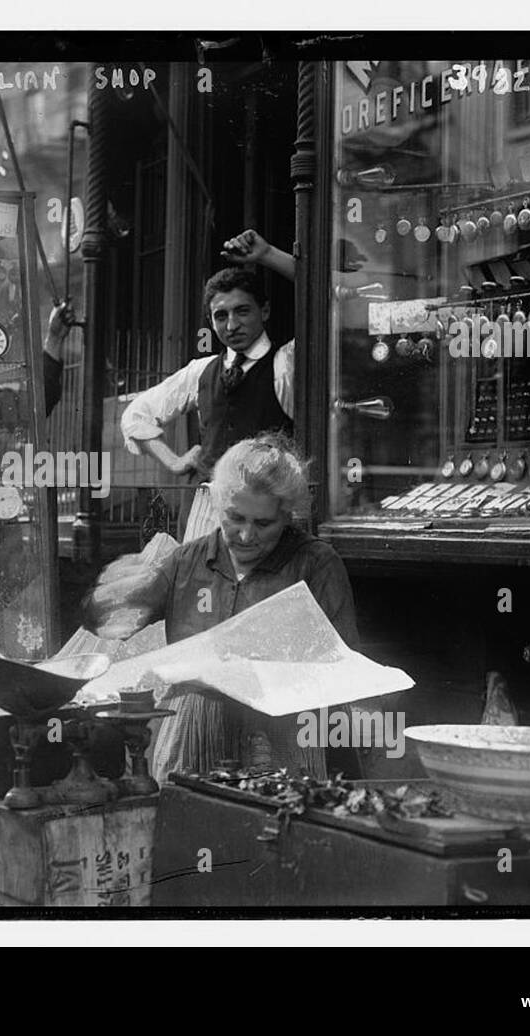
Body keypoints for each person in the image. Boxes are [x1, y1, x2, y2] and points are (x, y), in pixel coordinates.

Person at [83, 433, 358, 782]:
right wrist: (106, 597)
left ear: (288, 515)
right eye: (235, 518)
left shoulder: (315, 564)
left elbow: (345, 668)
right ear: (217, 503)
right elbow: (103, 621)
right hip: (192, 730)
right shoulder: (186, 561)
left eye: (263, 523)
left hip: (282, 732)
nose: (245, 536)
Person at [120, 252, 294, 541]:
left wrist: (267, 254)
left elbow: (325, 291)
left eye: (242, 311)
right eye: (220, 316)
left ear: (264, 311)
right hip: (206, 510)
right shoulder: (200, 371)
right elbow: (136, 414)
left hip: (265, 512)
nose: (231, 325)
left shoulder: (286, 363)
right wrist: (174, 461)